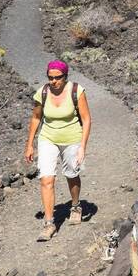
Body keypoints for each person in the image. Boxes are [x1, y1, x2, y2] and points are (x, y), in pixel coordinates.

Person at [24, 60, 91, 241]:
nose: (53, 81)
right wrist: (30, 144)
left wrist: (82, 147)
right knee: (46, 179)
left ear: (65, 76)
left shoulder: (77, 91)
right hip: (48, 138)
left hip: (72, 138)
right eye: (50, 78)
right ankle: (48, 223)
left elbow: (86, 120)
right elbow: (36, 118)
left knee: (71, 174)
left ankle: (76, 206)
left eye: (58, 78)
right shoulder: (43, 93)